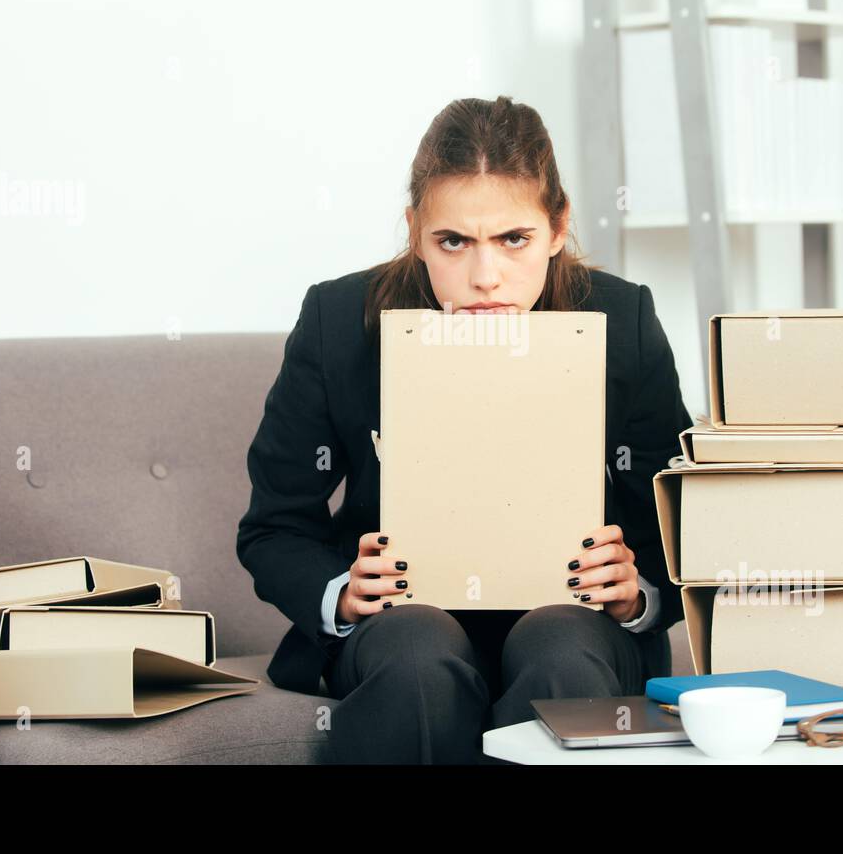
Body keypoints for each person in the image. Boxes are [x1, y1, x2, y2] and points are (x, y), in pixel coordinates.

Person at [236, 95, 692, 764]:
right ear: (417, 230)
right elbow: (274, 525)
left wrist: (639, 590)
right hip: (399, 622)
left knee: (561, 654)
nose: (486, 278)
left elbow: (680, 519)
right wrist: (341, 592)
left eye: (514, 239)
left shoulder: (623, 322)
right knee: (417, 657)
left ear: (557, 227)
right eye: (454, 241)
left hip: (573, 622)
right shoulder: (338, 319)